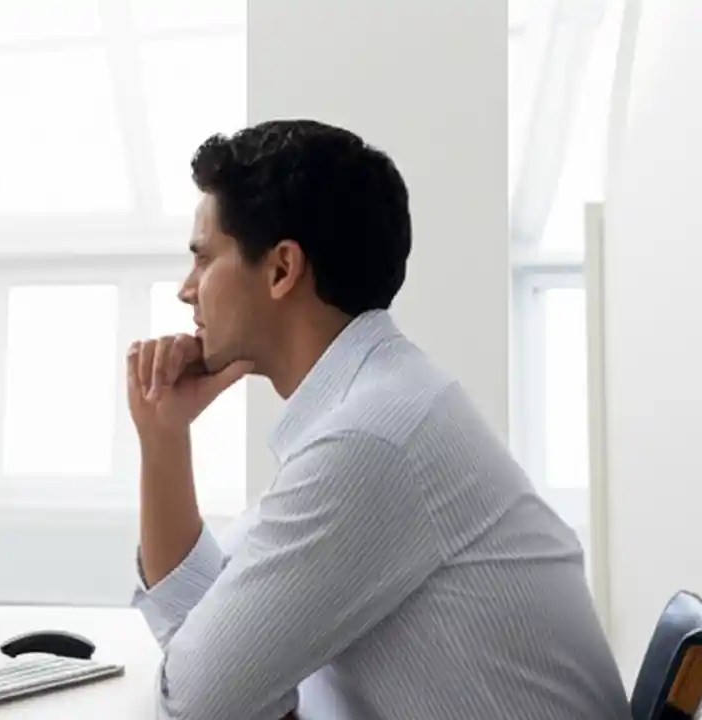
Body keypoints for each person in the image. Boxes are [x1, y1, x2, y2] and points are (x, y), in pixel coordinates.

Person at [127, 119, 628, 719]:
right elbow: (206, 628)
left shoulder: (370, 440)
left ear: (282, 269)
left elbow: (198, 705)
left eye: (204, 259)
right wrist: (163, 437)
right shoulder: (371, 404)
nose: (187, 289)